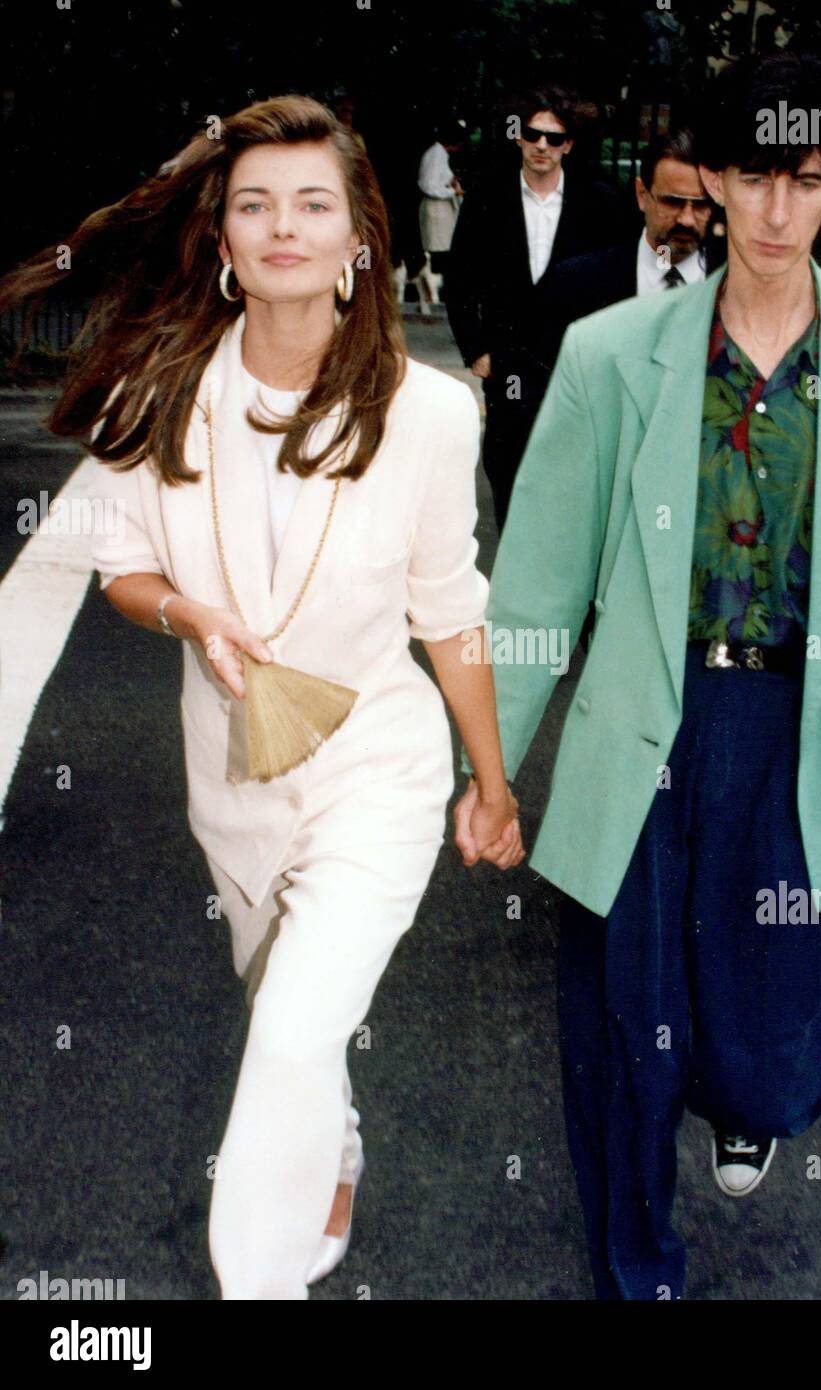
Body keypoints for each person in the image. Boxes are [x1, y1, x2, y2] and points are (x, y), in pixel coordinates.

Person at [453, 52, 821, 1301]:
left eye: (805, 181)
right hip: (642, 718)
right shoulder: (609, 352)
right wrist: (482, 772)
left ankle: (739, 1088)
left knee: (762, 1053)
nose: (771, 211)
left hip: (803, 730)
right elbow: (533, 588)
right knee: (617, 1030)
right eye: (751, 176)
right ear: (709, 175)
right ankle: (635, 1264)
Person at [0, 94, 524, 1300]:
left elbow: (450, 614)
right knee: (285, 1007)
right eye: (253, 205)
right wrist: (187, 613)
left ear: (359, 241)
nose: (281, 226)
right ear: (223, 242)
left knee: (289, 1029)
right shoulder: (162, 388)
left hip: (377, 769)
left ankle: (259, 1281)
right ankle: (331, 1137)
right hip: (232, 771)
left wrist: (488, 785)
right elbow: (122, 565)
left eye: (311, 204)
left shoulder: (430, 414)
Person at [446, 83, 619, 531]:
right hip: (509, 362)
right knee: (506, 466)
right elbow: (460, 277)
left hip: (573, 362)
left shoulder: (597, 201)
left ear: (569, 146)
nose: (542, 145)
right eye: (533, 134)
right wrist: (475, 350)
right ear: (519, 137)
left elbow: (615, 281)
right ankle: (512, 568)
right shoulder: (489, 197)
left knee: (572, 474)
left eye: (554, 138)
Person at [536, 128, 714, 371]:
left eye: (701, 205)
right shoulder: (575, 284)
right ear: (642, 195)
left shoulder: (737, 286)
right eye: (672, 202)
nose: (686, 219)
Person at [416, 120, 465, 283]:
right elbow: (428, 186)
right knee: (437, 252)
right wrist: (452, 191)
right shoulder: (435, 154)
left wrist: (450, 183)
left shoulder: (441, 154)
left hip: (442, 210)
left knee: (443, 250)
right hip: (436, 210)